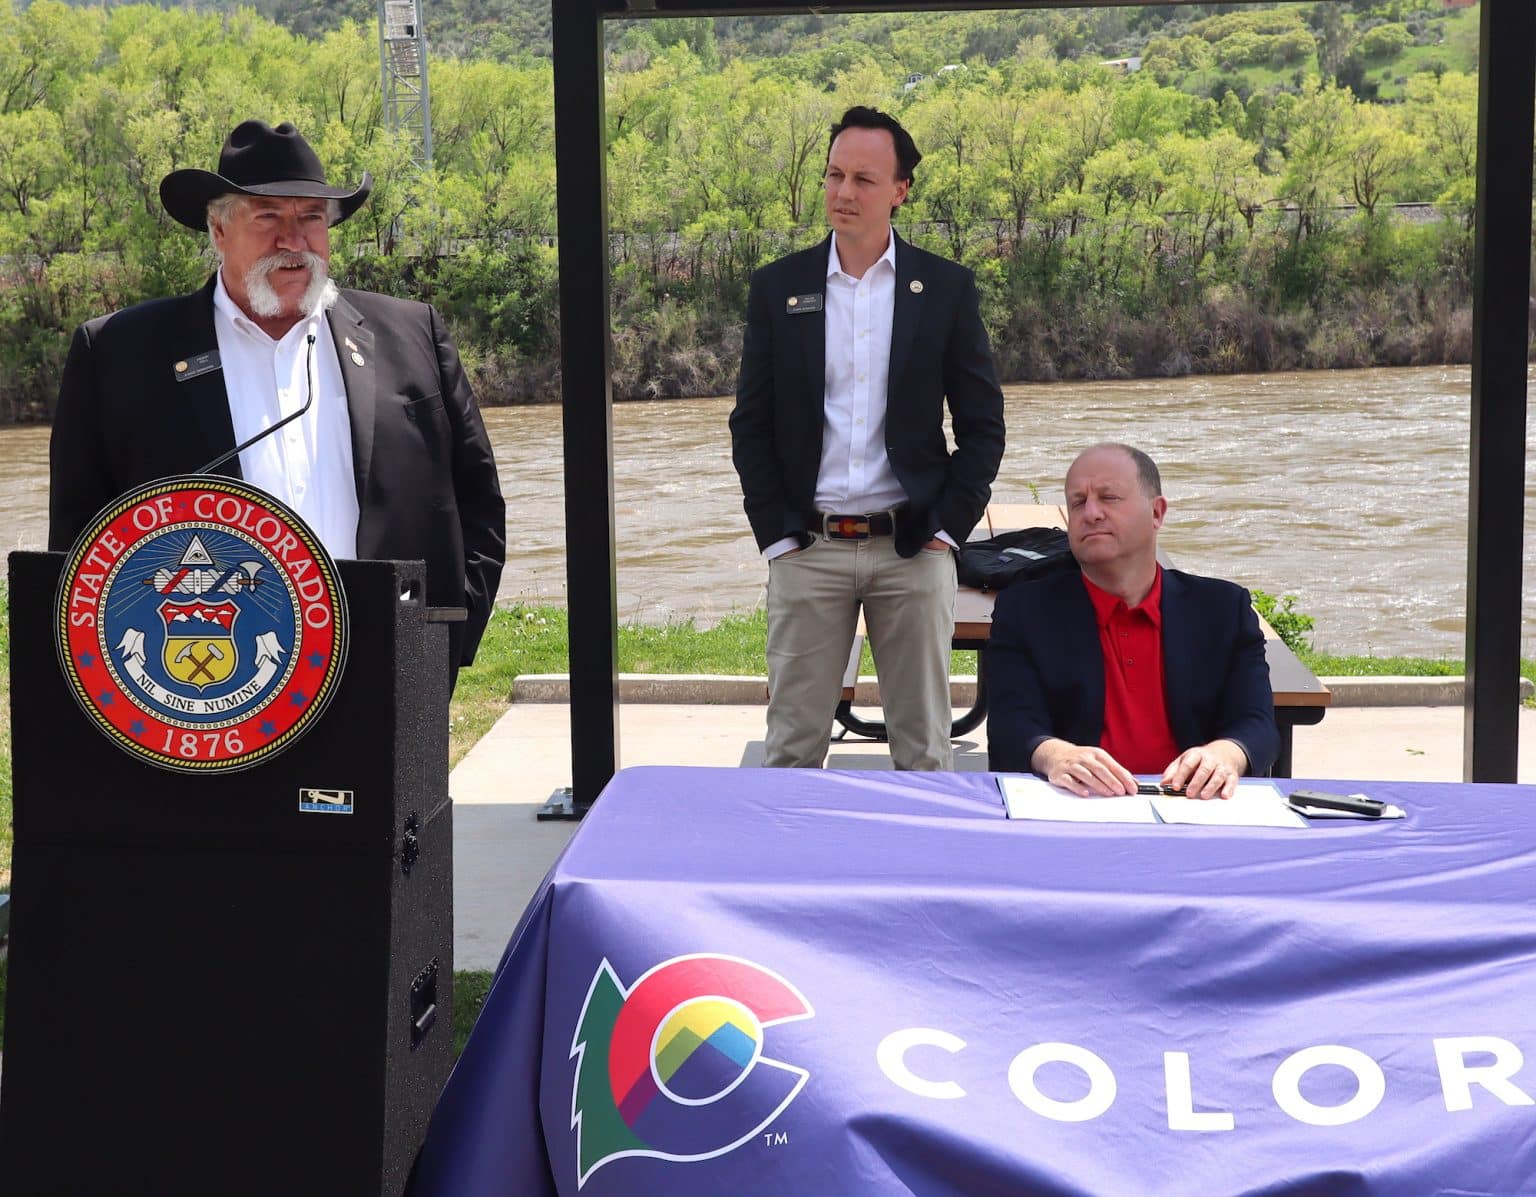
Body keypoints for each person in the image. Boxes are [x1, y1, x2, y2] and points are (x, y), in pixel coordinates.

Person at [47, 119, 505, 687]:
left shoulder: (409, 334)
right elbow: (78, 540)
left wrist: (445, 639)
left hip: (391, 668)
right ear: (218, 230)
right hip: (208, 681)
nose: (294, 241)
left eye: (310, 218)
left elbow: (478, 501)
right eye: (268, 217)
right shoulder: (120, 353)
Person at [730, 106, 1005, 771]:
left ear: (900, 190)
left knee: (925, 754)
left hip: (912, 549)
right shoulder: (779, 288)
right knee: (791, 751)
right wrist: (777, 534)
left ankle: (926, 877)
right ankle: (793, 877)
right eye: (833, 175)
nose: (843, 193)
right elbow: (751, 422)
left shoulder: (944, 289)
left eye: (862, 179)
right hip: (808, 548)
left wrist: (946, 531)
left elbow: (982, 425)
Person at [985, 444, 1278, 798]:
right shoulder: (1025, 610)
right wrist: (1055, 755)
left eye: (1108, 497)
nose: (1091, 513)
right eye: (1078, 502)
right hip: (1078, 805)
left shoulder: (1222, 609)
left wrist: (1226, 754)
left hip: (1193, 806)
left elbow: (1258, 725)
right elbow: (1009, 726)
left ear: (1157, 512)